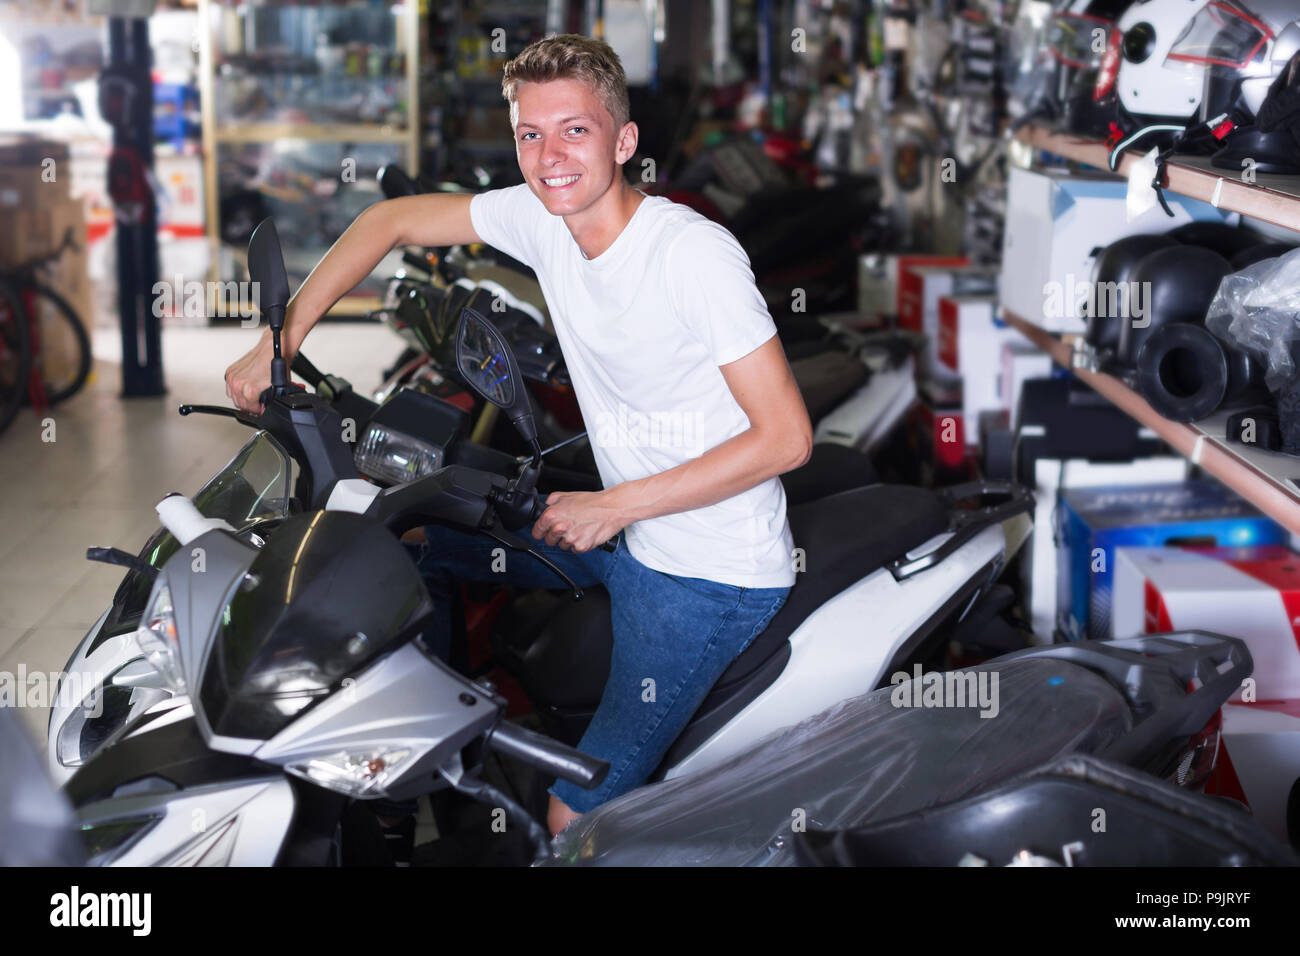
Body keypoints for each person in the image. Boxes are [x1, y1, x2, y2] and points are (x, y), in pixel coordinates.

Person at [224, 34, 812, 837]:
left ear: (624, 140)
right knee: (406, 540)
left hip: (709, 574)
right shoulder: (544, 218)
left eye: (575, 130)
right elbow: (389, 220)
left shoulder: (690, 257)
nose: (550, 155)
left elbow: (784, 439)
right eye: (529, 135)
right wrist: (278, 344)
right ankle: (413, 775)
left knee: (575, 810)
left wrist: (614, 506)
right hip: (633, 532)